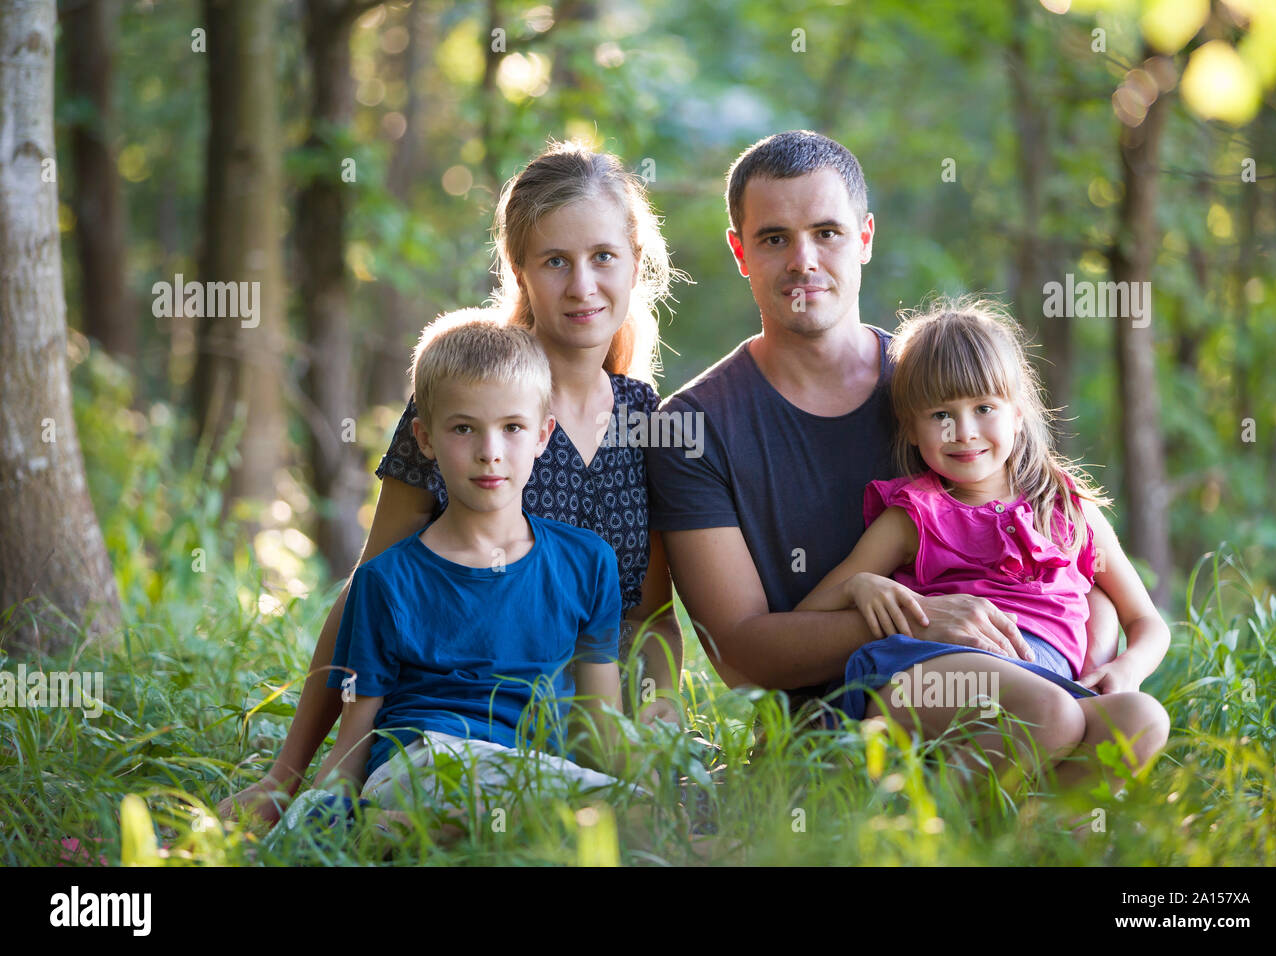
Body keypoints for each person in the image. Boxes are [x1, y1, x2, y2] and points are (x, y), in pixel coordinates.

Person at [220, 141, 683, 824]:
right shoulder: (467, 408)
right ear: (521, 272)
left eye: (603, 257)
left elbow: (652, 614)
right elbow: (368, 594)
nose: (583, 285)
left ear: (635, 264)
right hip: (444, 721)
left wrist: (660, 721)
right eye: (555, 261)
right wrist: (286, 778)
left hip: (583, 721)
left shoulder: (647, 417)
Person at [645, 128, 1121, 703]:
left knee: (1116, 733)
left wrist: (1089, 629)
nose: (804, 262)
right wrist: (918, 620)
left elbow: (1057, 538)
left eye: (827, 233)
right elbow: (743, 658)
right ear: (740, 251)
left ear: (865, 237)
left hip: (1026, 686)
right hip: (842, 741)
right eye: (774, 238)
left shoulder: (948, 389)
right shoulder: (692, 431)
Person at [273, 318, 636, 841]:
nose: (490, 451)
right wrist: (308, 808)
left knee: (632, 812)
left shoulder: (587, 563)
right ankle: (368, 831)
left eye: (512, 428)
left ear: (542, 434)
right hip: (421, 759)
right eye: (464, 428)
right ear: (424, 437)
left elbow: (605, 727)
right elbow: (354, 738)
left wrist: (641, 783)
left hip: (530, 769)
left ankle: (398, 837)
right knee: (574, 817)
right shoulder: (386, 581)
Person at [794, 299, 1170, 788]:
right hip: (922, 681)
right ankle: (930, 838)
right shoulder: (915, 516)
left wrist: (1127, 669)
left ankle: (1036, 834)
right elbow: (810, 613)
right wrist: (860, 586)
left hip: (1046, 692)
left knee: (1142, 719)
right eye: (940, 415)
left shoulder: (1071, 511)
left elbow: (1145, 621)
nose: (964, 432)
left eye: (984, 408)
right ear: (910, 427)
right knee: (1048, 712)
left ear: (1017, 414)